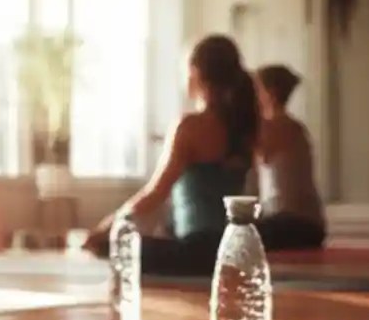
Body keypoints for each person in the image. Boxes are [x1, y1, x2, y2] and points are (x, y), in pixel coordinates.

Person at [84, 35, 258, 275]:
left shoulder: (189, 126)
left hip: (198, 253)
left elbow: (154, 194)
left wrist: (107, 229)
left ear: (195, 72)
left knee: (110, 246)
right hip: (235, 250)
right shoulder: (246, 126)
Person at [251, 65, 326, 250]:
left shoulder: (273, 127)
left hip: (292, 223)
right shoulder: (295, 127)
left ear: (271, 94)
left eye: (255, 91)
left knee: (232, 235)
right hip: (309, 222)